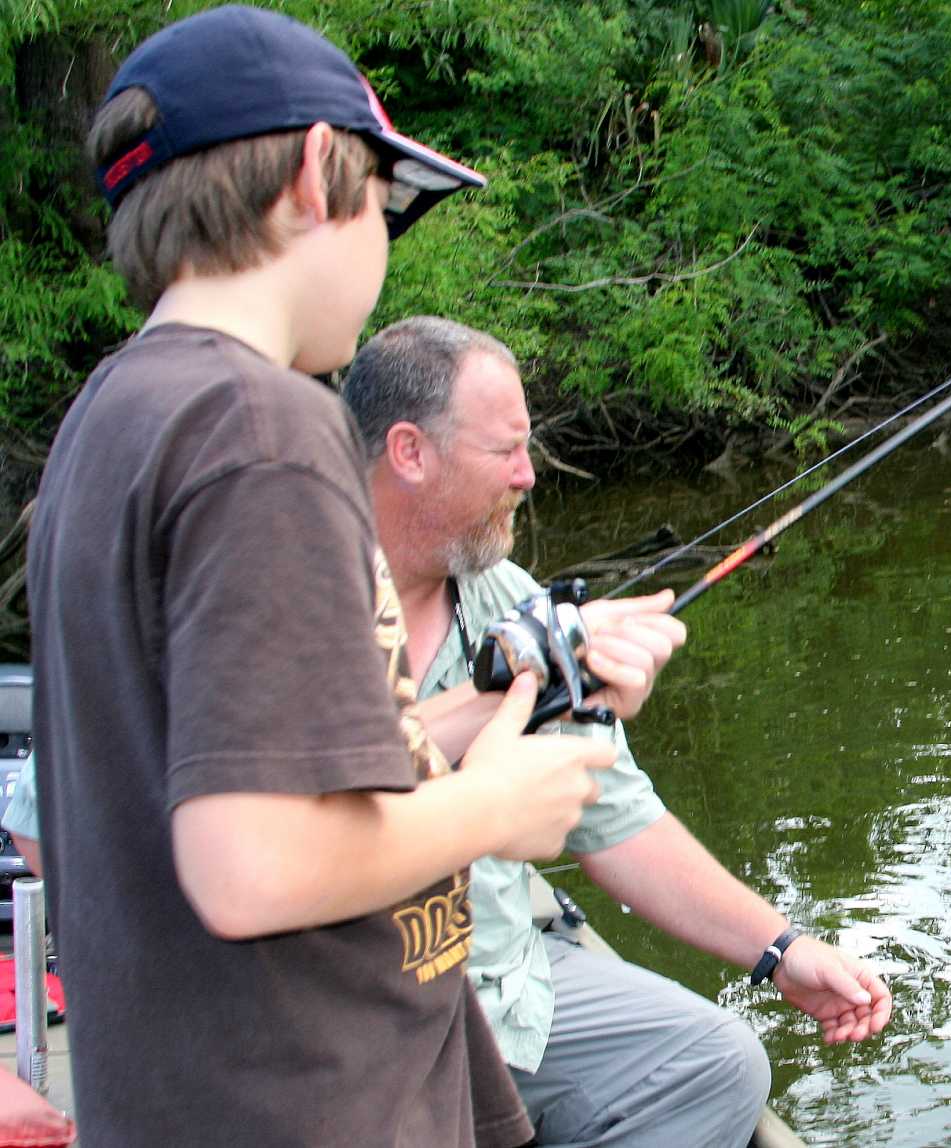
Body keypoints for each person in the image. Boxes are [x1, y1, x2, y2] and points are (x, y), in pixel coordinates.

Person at [22, 7, 672, 1145]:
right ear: (316, 178)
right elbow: (250, 865)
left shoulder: (110, 416)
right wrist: (492, 807)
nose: (386, 243)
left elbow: (272, 759)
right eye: (388, 203)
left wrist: (507, 706)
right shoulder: (261, 422)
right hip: (314, 1100)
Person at [339, 316, 893, 1147]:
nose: (530, 475)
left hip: (500, 985)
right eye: (505, 452)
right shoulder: (297, 588)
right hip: (348, 1015)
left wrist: (782, 950)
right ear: (411, 452)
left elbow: (616, 819)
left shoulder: (511, 598)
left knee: (721, 1066)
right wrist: (528, 683)